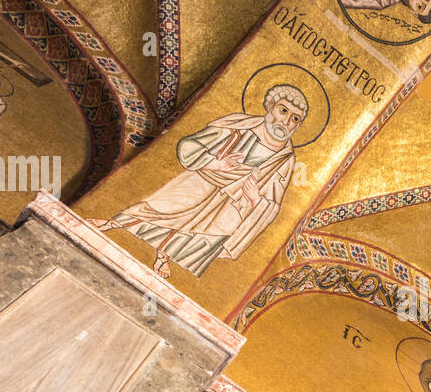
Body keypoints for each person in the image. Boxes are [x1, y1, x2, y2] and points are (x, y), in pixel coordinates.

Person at [93, 84, 307, 279]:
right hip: (203, 179)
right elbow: (189, 145)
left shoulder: (285, 160)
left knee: (202, 236)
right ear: (270, 106)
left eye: (295, 118)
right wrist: (215, 163)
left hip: (233, 204)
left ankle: (164, 256)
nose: (286, 122)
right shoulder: (237, 125)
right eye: (283, 110)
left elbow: (273, 205)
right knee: (163, 206)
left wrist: (255, 200)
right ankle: (114, 222)